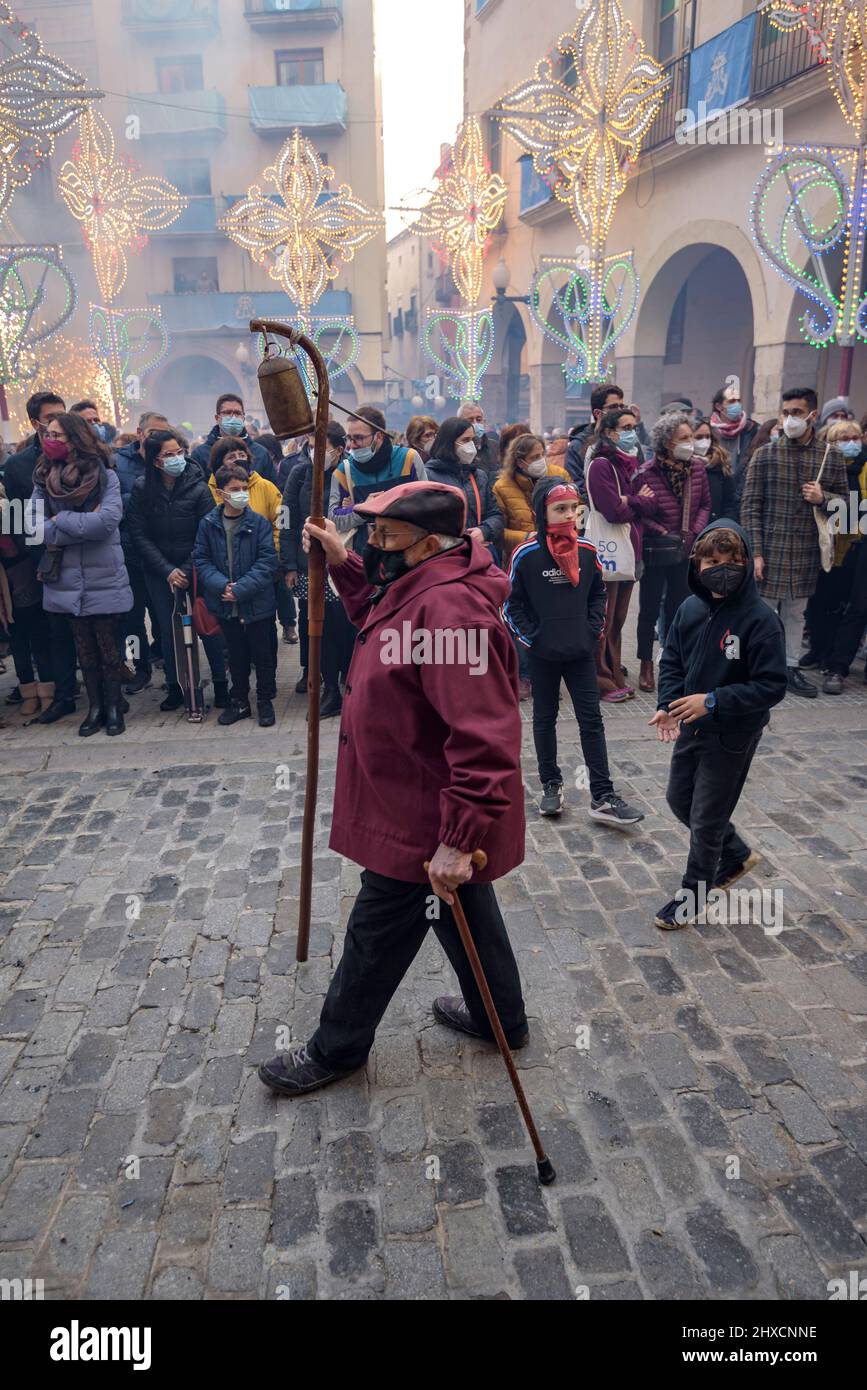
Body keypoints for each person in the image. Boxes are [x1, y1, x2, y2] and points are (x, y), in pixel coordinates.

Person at [257, 481, 529, 1096]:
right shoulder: (420, 586)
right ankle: (501, 1018)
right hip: (414, 797)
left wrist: (459, 840)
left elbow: (485, 738)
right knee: (464, 909)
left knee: (379, 929)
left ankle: (338, 1047)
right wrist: (343, 562)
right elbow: (381, 621)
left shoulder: (453, 611)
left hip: (424, 813)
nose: (372, 545)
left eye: (384, 537)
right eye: (370, 534)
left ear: (430, 543)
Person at [650, 522, 787, 931]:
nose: (721, 569)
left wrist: (713, 701)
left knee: (706, 818)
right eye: (712, 561)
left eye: (732, 562)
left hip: (733, 734)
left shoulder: (761, 620)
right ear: (697, 562)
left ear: (746, 565)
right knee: (680, 801)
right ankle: (736, 852)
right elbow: (672, 659)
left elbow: (771, 685)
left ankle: (695, 893)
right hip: (692, 726)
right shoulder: (689, 609)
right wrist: (667, 704)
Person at [503, 478, 645, 826]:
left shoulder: (586, 550)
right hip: (543, 655)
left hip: (580, 652)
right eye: (560, 509)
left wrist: (592, 630)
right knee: (544, 719)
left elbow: (598, 594)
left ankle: (603, 794)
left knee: (591, 722)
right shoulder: (526, 553)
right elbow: (510, 603)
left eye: (573, 508)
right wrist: (533, 638)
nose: (569, 515)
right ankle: (551, 784)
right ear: (542, 512)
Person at [740, 387, 848, 699]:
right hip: (770, 548)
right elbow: (750, 507)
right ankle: (755, 667)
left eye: (797, 413)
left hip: (805, 550)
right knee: (760, 611)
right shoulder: (766, 455)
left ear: (813, 415)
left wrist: (823, 498)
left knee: (796, 612)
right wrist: (755, 553)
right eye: (786, 413)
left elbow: (845, 505)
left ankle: (790, 667)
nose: (790, 419)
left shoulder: (831, 455)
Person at [31, 412, 132, 737]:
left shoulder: (105, 477)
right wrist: (77, 522)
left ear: (76, 438)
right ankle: (96, 707)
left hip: (103, 576)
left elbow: (106, 523)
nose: (51, 440)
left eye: (58, 435)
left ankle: (114, 707)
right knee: (83, 648)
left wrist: (59, 522)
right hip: (65, 579)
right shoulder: (43, 476)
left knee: (107, 647)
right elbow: (32, 527)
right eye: (50, 434)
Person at [126, 429, 229, 711]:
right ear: (155, 461)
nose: (176, 459)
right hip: (159, 573)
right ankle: (177, 687)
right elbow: (138, 533)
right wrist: (167, 571)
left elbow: (207, 531)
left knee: (207, 626)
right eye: (168, 455)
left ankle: (221, 685)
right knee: (170, 631)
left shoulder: (198, 486)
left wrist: (185, 568)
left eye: (178, 453)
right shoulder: (141, 487)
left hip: (198, 569)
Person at [3, 392, 80, 723]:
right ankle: (49, 691)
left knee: (76, 628)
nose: (57, 422)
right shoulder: (18, 465)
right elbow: (17, 518)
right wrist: (30, 556)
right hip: (35, 558)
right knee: (41, 629)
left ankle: (76, 688)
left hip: (77, 552)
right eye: (51, 417)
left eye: (62, 415)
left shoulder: (79, 454)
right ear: (35, 423)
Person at [192, 462, 279, 728]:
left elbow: (267, 562)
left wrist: (240, 589)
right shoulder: (208, 524)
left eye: (244, 488)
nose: (241, 494)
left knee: (263, 656)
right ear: (220, 493)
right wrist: (222, 587)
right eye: (234, 489)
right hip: (225, 605)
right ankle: (239, 701)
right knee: (236, 657)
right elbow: (201, 559)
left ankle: (265, 701)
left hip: (257, 604)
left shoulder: (259, 523)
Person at [583, 408, 658, 701]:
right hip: (609, 549)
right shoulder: (602, 464)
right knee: (604, 617)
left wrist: (632, 500)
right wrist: (637, 502)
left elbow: (652, 504)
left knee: (617, 620)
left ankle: (613, 674)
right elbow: (613, 511)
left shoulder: (629, 463)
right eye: (625, 427)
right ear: (610, 432)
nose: (632, 432)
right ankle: (600, 680)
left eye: (634, 426)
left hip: (627, 549)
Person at [282, 420, 354, 717]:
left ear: (339, 448)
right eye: (312, 445)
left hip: (344, 562)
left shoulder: (349, 474)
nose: (315, 451)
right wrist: (288, 563)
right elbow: (285, 519)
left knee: (346, 626)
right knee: (318, 628)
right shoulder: (299, 474)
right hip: (310, 564)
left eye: (321, 445)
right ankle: (329, 689)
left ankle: (348, 683)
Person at [636, 413, 712, 692]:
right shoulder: (646, 472)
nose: (691, 443)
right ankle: (645, 662)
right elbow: (639, 512)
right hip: (657, 549)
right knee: (649, 608)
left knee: (680, 607)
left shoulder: (697, 469)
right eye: (684, 438)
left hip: (686, 550)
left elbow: (705, 503)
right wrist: (661, 531)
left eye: (691, 437)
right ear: (667, 442)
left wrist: (693, 532)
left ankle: (673, 659)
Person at [493, 432, 570, 701]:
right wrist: (528, 538)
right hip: (522, 561)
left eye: (542, 455)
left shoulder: (559, 475)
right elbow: (498, 532)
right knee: (522, 619)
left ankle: (549, 676)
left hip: (558, 558)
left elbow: (574, 510)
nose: (541, 462)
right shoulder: (502, 486)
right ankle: (524, 675)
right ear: (520, 462)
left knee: (549, 617)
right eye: (534, 458)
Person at [114, 410, 170, 693]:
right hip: (130, 555)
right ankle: (140, 668)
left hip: (163, 553)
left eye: (163, 433)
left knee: (163, 616)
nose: (157, 439)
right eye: (152, 434)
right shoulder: (117, 461)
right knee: (133, 618)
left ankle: (169, 665)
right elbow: (112, 502)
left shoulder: (170, 460)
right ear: (139, 433)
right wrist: (140, 497)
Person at [329, 406, 427, 554]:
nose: (352, 444)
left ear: (379, 436)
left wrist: (390, 504)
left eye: (359, 438)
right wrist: (363, 509)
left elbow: (427, 503)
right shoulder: (344, 470)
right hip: (364, 557)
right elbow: (334, 519)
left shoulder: (409, 458)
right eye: (349, 438)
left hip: (408, 552)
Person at [819, 425, 867, 694]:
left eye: (855, 437)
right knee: (859, 607)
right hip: (856, 543)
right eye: (845, 438)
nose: (852, 442)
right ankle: (837, 667)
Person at [425, 417, 504, 562]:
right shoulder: (428, 476)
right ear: (449, 442)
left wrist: (484, 531)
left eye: (473, 440)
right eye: (465, 440)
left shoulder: (479, 476)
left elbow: (495, 514)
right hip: (444, 557)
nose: (471, 445)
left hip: (477, 553)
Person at [190, 393, 276, 482]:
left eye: (237, 413)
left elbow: (272, 488)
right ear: (217, 418)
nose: (233, 417)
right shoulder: (200, 454)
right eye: (227, 413)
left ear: (243, 417)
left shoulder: (260, 453)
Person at [566, 384, 627, 494]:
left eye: (621, 407)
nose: (619, 412)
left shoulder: (628, 441)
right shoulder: (577, 446)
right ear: (598, 413)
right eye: (613, 407)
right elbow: (578, 488)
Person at [710, 384, 759, 491]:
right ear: (719, 406)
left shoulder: (752, 430)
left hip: (742, 490)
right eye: (731, 401)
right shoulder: (708, 431)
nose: (737, 405)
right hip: (716, 490)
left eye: (739, 401)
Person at [695, 417, 737, 523]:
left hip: (714, 527)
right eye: (699, 437)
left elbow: (730, 503)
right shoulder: (681, 466)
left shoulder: (719, 465)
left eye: (707, 436)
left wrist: (723, 526)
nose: (704, 441)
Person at [457, 401, 499, 477]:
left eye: (479, 420)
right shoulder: (457, 447)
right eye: (470, 420)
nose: (475, 423)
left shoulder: (495, 446)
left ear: (484, 421)